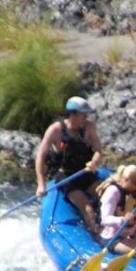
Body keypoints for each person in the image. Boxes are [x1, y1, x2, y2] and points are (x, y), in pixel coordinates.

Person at [34, 96, 104, 234]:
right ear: (72, 114)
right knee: (88, 209)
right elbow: (40, 158)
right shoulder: (55, 130)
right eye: (83, 114)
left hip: (85, 172)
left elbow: (98, 151)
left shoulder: (89, 127)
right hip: (67, 177)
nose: (86, 117)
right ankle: (97, 236)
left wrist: (94, 162)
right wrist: (41, 184)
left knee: (106, 195)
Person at [94, 165, 136, 260]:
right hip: (111, 238)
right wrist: (122, 220)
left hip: (129, 236)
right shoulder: (113, 192)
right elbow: (105, 219)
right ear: (126, 179)